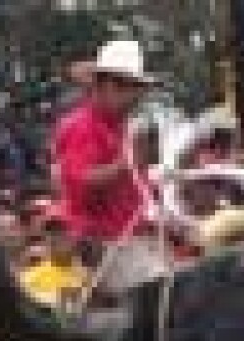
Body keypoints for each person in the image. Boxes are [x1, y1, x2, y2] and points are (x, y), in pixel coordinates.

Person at [53, 39, 168, 297]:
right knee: (159, 293)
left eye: (138, 88)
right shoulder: (80, 126)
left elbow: (138, 179)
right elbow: (82, 183)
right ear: (106, 86)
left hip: (128, 235)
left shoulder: (121, 126)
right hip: (100, 242)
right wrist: (129, 164)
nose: (138, 97)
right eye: (132, 88)